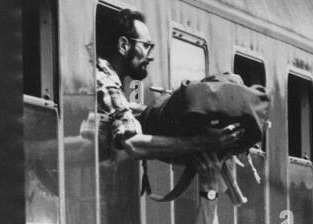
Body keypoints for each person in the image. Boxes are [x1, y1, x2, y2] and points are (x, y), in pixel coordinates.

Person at [94, 8, 239, 163]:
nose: (151, 56)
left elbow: (121, 113)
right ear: (123, 45)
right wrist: (201, 143)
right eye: (146, 46)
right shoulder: (105, 81)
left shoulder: (103, 79)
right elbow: (132, 143)